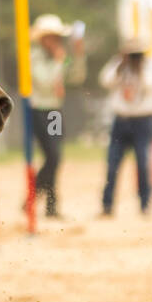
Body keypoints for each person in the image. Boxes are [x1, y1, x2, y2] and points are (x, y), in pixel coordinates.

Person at [99, 37, 152, 216]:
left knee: (143, 163)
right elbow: (105, 81)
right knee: (112, 163)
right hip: (121, 120)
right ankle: (107, 205)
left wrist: (139, 69)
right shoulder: (118, 65)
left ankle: (145, 204)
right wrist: (122, 65)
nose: (134, 57)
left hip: (143, 120)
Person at [27, 14, 86, 218]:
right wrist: (61, 62)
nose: (57, 42)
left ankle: (47, 204)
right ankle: (34, 199)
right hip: (38, 110)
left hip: (54, 111)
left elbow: (76, 76)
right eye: (53, 37)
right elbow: (45, 81)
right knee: (52, 156)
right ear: (43, 39)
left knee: (55, 157)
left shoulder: (60, 57)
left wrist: (77, 56)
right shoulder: (33, 57)